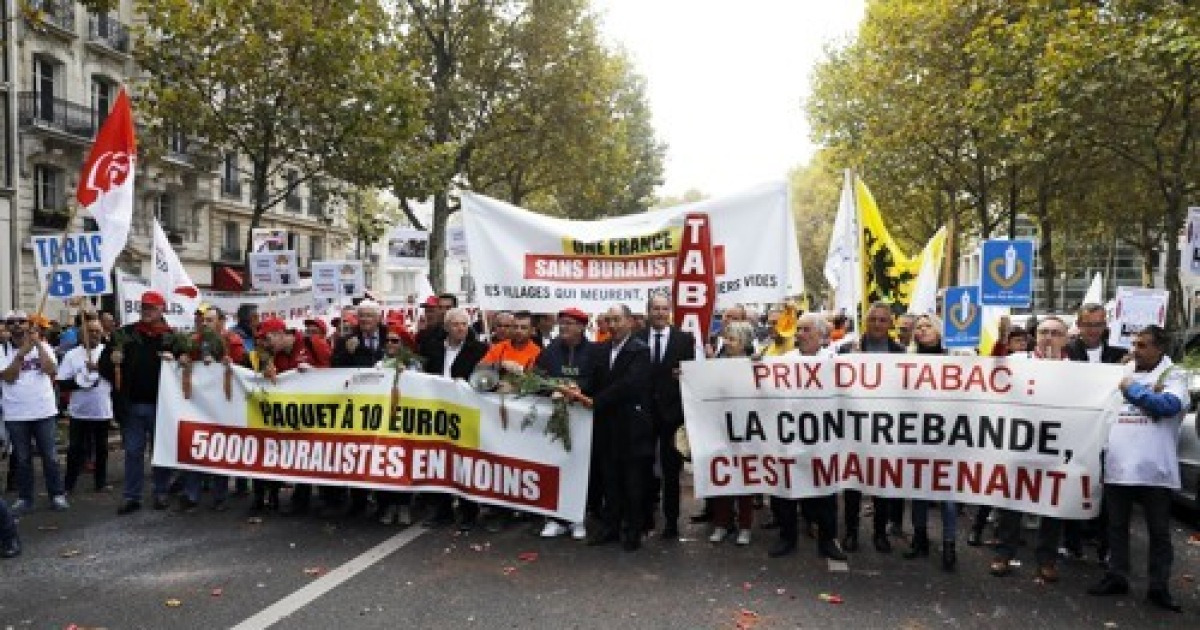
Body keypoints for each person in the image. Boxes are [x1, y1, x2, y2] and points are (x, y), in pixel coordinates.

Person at [1087, 325, 1184, 612]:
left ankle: (1159, 586)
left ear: (1160, 348)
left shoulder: (1173, 375)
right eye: (1134, 344)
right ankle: (1116, 575)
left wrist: (1131, 388)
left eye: (1142, 345)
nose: (1135, 350)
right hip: (1119, 465)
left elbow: (1167, 405)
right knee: (1116, 527)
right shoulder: (1123, 370)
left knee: (1158, 532)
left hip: (1155, 469)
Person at [990, 316, 1071, 581]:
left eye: (1056, 333)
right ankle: (1004, 553)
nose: (1049, 337)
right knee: (1012, 499)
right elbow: (991, 376)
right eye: (1044, 332)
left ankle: (1047, 559)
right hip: (1020, 441)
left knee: (1051, 502)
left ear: (1066, 337)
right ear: (1035, 336)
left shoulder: (1078, 369)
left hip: (1055, 444)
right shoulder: (1018, 362)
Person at [767, 313, 846, 560]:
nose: (799, 334)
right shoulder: (784, 361)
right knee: (787, 489)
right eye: (799, 330)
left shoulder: (835, 361)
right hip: (790, 435)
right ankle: (787, 537)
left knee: (825, 491)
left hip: (824, 438)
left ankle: (828, 540)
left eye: (806, 330)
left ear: (821, 335)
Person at [578, 305, 652, 551]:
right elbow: (591, 379)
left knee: (632, 482)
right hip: (606, 425)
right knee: (609, 480)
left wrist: (596, 401)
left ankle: (632, 531)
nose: (612, 325)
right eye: (608, 320)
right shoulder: (600, 350)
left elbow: (630, 384)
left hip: (631, 426)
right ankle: (610, 527)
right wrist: (577, 390)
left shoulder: (640, 350)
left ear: (630, 322)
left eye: (617, 320)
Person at [99, 291, 175, 514]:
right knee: (132, 452)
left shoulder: (171, 337)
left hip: (161, 407)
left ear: (162, 310)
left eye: (152, 307)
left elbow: (186, 367)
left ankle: (161, 491)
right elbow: (105, 366)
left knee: (159, 452)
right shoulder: (124, 334)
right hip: (131, 405)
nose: (147, 311)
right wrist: (111, 360)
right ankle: (132, 496)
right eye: (144, 307)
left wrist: (179, 361)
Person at [1064, 303, 1127, 562]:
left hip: (1107, 435)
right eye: (1088, 324)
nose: (1093, 330)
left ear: (1105, 326)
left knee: (1106, 495)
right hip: (1075, 433)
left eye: (1098, 324)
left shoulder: (1120, 355)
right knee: (1071, 486)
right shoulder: (1066, 353)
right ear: (1078, 326)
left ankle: (1104, 547)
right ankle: (1072, 544)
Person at [416, 307, 489, 529]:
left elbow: (483, 379)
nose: (460, 329)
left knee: (464, 461)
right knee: (438, 460)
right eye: (456, 324)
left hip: (464, 412)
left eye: (464, 325)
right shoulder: (432, 347)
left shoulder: (479, 349)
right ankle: (442, 510)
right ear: (447, 327)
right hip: (437, 411)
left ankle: (469, 513)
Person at [841, 302, 905, 553]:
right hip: (855, 426)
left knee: (881, 483)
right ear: (865, 322)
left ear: (890, 324)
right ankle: (851, 532)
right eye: (873, 319)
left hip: (885, 428)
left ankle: (880, 533)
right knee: (853, 482)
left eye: (882, 320)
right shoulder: (849, 349)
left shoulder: (900, 353)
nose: (877, 324)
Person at [535, 307, 599, 540]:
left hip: (584, 419)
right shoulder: (549, 351)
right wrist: (553, 389)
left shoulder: (594, 352)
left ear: (582, 327)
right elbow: (537, 379)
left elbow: (599, 380)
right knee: (554, 466)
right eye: (562, 323)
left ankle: (577, 518)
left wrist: (579, 389)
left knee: (581, 469)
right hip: (554, 418)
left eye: (570, 323)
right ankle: (554, 518)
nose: (564, 327)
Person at [258, 317, 332, 515]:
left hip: (319, 411)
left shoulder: (313, 344)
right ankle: (297, 499)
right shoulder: (276, 355)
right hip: (292, 415)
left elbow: (334, 373)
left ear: (281, 334)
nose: (266, 344)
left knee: (317, 453)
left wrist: (314, 372)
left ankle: (325, 498)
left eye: (269, 338)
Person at [175, 307, 246, 512]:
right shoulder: (194, 341)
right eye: (203, 320)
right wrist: (182, 359)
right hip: (199, 405)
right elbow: (185, 360)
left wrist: (232, 363)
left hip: (223, 405)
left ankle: (220, 496)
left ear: (221, 321)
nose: (205, 323)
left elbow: (244, 365)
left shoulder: (232, 341)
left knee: (219, 447)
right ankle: (191, 495)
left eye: (210, 320)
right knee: (194, 445)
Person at [637, 295, 696, 540]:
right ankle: (646, 517)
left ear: (670, 312)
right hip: (644, 414)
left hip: (673, 416)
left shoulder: (684, 339)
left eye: (664, 309)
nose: (660, 313)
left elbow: (691, 373)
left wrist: (684, 374)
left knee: (672, 473)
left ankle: (671, 522)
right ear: (648, 311)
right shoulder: (638, 338)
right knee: (643, 467)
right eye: (655, 309)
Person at [904, 314, 958, 571]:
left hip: (948, 435)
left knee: (948, 494)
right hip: (917, 432)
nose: (922, 331)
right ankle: (920, 538)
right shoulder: (909, 360)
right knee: (919, 490)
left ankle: (949, 545)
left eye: (927, 326)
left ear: (939, 330)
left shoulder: (957, 358)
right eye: (919, 327)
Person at [1, 310, 68, 514]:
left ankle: (57, 495)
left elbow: (50, 370)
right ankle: (25, 498)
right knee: (22, 458)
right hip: (16, 413)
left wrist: (37, 345)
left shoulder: (43, 346)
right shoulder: (2, 351)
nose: (17, 325)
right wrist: (21, 354)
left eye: (22, 321)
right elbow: (9, 377)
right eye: (12, 322)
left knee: (50, 456)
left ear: (29, 325)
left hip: (43, 410)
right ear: (6, 326)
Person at [708, 321, 757, 546]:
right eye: (726, 338)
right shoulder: (716, 364)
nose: (727, 343)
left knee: (745, 478)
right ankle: (722, 523)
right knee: (721, 476)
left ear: (744, 342)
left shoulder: (756, 365)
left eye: (733, 339)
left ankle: (745, 526)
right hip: (720, 427)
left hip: (747, 429)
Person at [56, 316, 112, 494]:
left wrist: (100, 369)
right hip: (79, 411)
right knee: (75, 449)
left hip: (101, 409)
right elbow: (61, 382)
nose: (94, 334)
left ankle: (100, 483)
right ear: (82, 334)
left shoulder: (108, 352)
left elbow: (117, 379)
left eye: (97, 331)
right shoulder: (72, 355)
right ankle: (68, 485)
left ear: (102, 333)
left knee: (101, 449)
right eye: (90, 331)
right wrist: (80, 382)